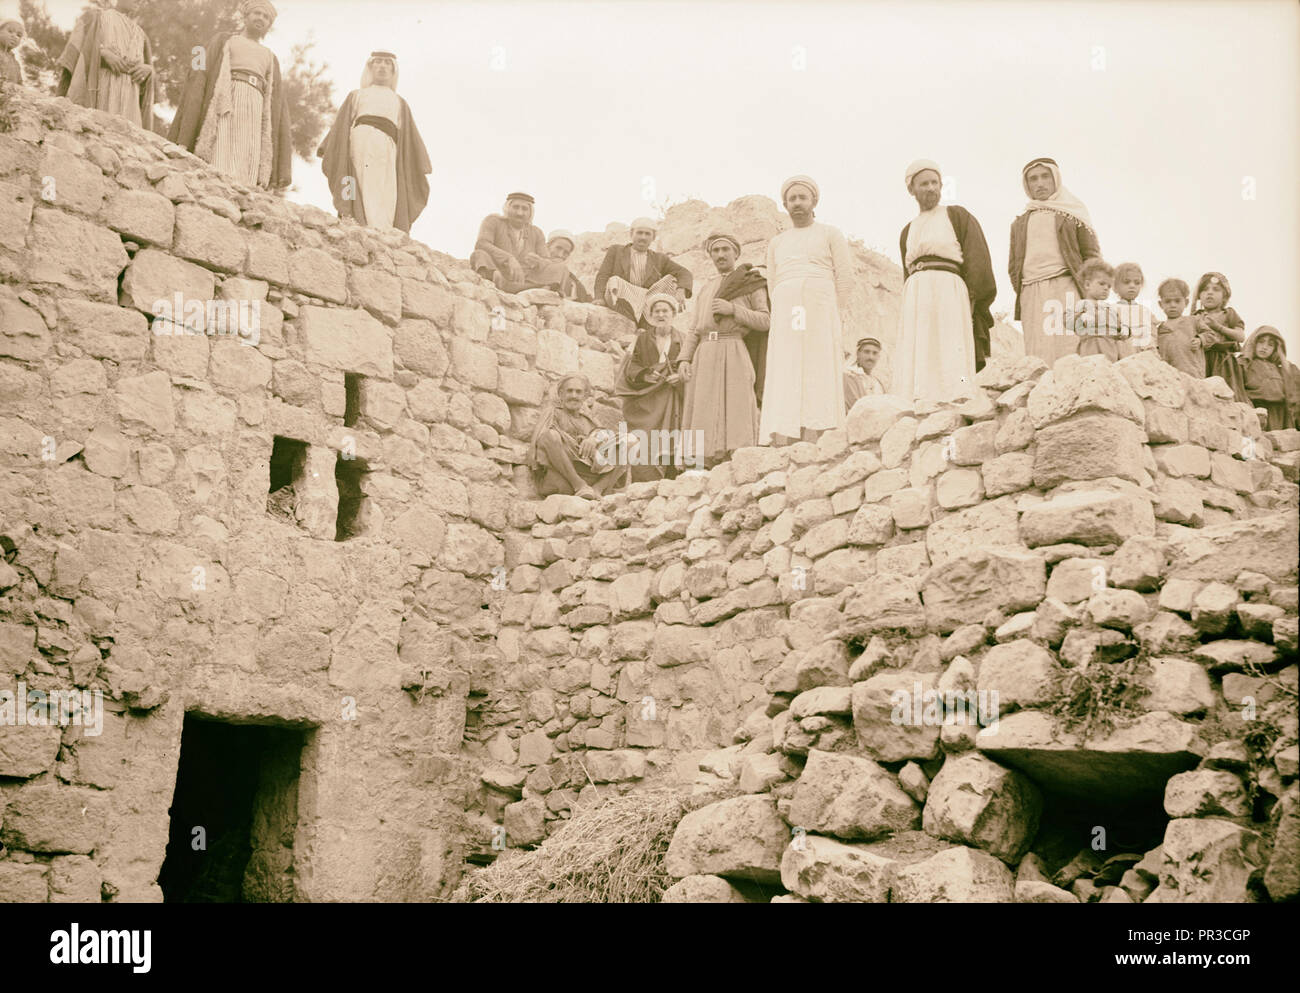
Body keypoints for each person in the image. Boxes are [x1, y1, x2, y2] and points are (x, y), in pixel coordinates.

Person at [761, 176, 854, 446]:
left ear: (814, 201)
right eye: (792, 199)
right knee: (788, 364)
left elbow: (845, 276)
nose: (797, 203)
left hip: (820, 308)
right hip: (788, 310)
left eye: (803, 198)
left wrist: (835, 312)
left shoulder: (830, 233)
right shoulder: (777, 242)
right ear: (785, 205)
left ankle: (820, 433)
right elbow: (772, 283)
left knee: (817, 363)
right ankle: (785, 436)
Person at [894, 159, 996, 402]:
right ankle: (917, 399)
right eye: (923, 184)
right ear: (912, 190)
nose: (930, 188)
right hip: (917, 291)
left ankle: (956, 397)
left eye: (934, 183)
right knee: (920, 343)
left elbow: (977, 256)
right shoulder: (908, 230)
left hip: (949, 287)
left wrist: (973, 297)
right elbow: (906, 271)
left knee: (950, 343)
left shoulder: (956, 215)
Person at [169, 0, 293, 191]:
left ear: (269, 24)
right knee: (222, 145)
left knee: (248, 151)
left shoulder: (270, 56)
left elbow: (279, 102)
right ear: (246, 16)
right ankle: (214, 188)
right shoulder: (224, 40)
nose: (261, 18)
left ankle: (245, 190)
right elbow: (200, 70)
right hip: (228, 96)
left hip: (256, 104)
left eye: (266, 17)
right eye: (257, 13)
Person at [318, 52, 431, 233]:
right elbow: (341, 126)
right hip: (360, 142)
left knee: (385, 187)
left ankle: (381, 228)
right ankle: (356, 222)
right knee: (357, 181)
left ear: (393, 70)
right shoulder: (357, 95)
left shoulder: (399, 102)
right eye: (378, 63)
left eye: (387, 63)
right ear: (370, 68)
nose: (382, 67)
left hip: (387, 148)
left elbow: (410, 139)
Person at [681, 232, 766, 465]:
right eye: (715, 251)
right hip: (705, 351)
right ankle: (704, 464)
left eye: (725, 250)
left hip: (734, 347)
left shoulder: (750, 283)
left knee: (737, 406)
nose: (720, 255)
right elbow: (694, 329)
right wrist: (684, 359)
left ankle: (738, 461)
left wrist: (733, 310)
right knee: (704, 408)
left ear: (736, 253)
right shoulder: (706, 288)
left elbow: (765, 320)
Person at [1009, 157, 1102, 366]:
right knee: (1038, 353)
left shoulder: (1072, 214)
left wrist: (1091, 293)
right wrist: (1024, 292)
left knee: (1070, 346)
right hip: (1031, 291)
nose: (1040, 183)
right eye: (1033, 179)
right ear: (1027, 185)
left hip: (1065, 286)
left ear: (1056, 179)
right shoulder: (1019, 223)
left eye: (1045, 177)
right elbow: (1014, 265)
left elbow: (1092, 256)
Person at [615, 292, 691, 479]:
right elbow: (633, 365)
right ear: (650, 316)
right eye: (656, 311)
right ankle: (645, 480)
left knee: (673, 433)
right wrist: (645, 374)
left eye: (665, 311)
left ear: (673, 314)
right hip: (648, 396)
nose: (661, 315)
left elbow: (690, 365)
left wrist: (680, 377)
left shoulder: (683, 339)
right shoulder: (642, 339)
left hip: (673, 397)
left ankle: (671, 477)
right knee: (645, 437)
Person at [56, 0, 154, 129]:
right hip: (102, 88)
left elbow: (148, 69)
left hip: (131, 96)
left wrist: (148, 69)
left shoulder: (142, 35)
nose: (140, 1)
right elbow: (75, 54)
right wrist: (103, 54)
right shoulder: (96, 17)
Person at [529, 374, 624, 498]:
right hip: (564, 473)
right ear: (561, 394)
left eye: (578, 392)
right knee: (550, 435)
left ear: (584, 396)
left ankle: (597, 489)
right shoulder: (553, 413)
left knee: (627, 442)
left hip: (591, 469)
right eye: (569, 391)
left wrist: (593, 439)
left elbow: (605, 434)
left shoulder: (588, 419)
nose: (574, 395)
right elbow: (540, 439)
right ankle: (579, 485)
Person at [593, 217, 693, 326]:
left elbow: (684, 272)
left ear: (653, 237)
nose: (643, 237)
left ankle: (647, 322)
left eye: (647, 234)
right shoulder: (616, 251)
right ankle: (633, 320)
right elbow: (603, 275)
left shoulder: (659, 258)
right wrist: (599, 298)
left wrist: (681, 290)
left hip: (647, 300)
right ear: (631, 234)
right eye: (639, 233)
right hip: (624, 299)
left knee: (672, 280)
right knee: (614, 281)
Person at [470, 192, 569, 294]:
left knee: (560, 267)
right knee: (479, 255)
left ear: (530, 212)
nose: (520, 213)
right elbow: (482, 244)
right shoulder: (493, 221)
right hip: (499, 271)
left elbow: (547, 260)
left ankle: (528, 288)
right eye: (516, 207)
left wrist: (538, 261)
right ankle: (501, 283)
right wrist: (508, 258)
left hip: (524, 277)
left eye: (524, 209)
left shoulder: (536, 232)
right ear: (508, 208)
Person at [1192, 271, 1249, 403]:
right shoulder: (1195, 316)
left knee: (1226, 397)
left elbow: (1240, 336)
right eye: (1205, 290)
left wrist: (1218, 327)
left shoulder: (1228, 313)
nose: (1209, 293)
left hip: (1223, 361)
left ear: (1224, 296)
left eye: (1216, 290)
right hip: (1201, 360)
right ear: (1199, 296)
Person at [1069, 258, 1130, 361]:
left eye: (1109, 286)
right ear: (1088, 285)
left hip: (1110, 350)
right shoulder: (1082, 304)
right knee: (1093, 370)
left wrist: (1125, 330)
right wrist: (1080, 318)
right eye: (1102, 284)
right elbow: (1068, 321)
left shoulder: (1109, 309)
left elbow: (1118, 325)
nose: (1106, 288)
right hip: (1091, 348)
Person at [1241, 327, 1293, 430]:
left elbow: (1291, 386)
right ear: (1254, 342)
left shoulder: (1280, 369)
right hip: (1256, 409)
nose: (1264, 347)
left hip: (1278, 413)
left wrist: (1281, 356)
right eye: (1261, 342)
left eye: (1271, 345)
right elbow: (1238, 388)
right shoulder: (1245, 364)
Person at [1156, 278, 1206, 378]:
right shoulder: (1159, 329)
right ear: (1161, 304)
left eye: (1177, 301)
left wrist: (1200, 340)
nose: (1173, 305)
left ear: (1186, 302)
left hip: (1192, 373)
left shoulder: (1194, 321)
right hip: (1169, 377)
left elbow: (1211, 334)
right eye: (1168, 301)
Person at [1113, 262, 1156, 350]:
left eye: (1137, 283)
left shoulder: (1145, 311)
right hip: (1121, 354)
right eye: (1126, 282)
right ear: (1115, 287)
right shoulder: (1111, 310)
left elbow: (1153, 334)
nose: (1132, 286)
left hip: (1143, 354)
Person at [546, 230, 593, 302]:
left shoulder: (571, 279)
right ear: (547, 246)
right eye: (558, 248)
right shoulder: (530, 266)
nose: (560, 255)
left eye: (566, 253)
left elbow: (585, 298)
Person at [843, 336, 886, 412]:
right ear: (858, 354)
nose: (871, 357)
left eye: (875, 353)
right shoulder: (849, 377)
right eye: (866, 352)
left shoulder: (878, 383)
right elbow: (856, 408)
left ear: (878, 357)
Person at [1, 19, 26, 85]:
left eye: (19, 35)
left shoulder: (15, 63)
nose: (14, 36)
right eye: (10, 31)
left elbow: (19, 84)